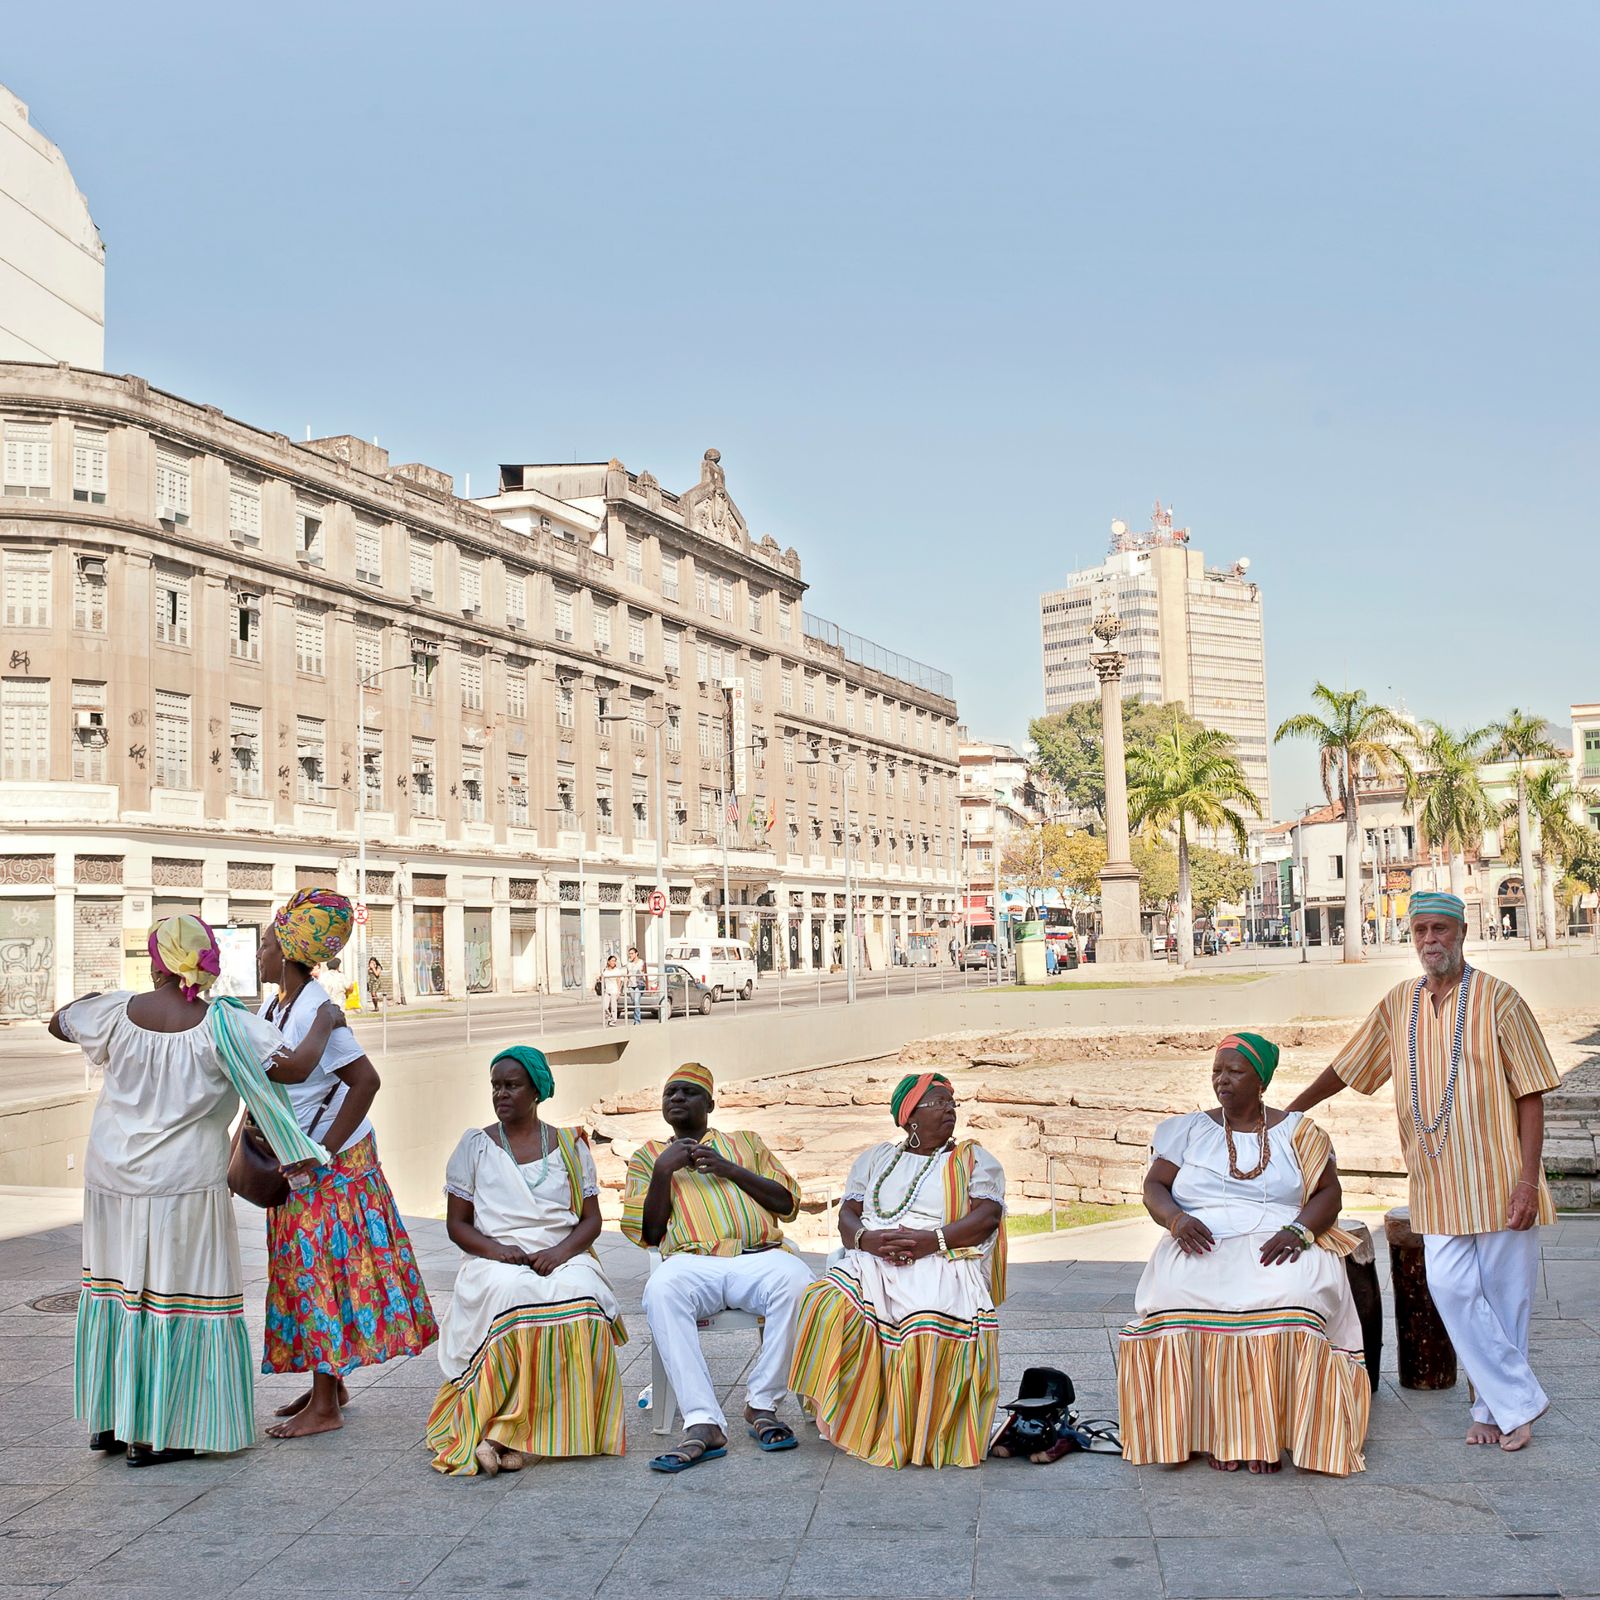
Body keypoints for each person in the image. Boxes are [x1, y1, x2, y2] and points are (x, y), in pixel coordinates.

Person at [48, 915, 339, 1466]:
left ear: (156, 963)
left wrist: (90, 994)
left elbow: (60, 1023)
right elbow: (296, 1069)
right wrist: (324, 1018)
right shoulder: (223, 1026)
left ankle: (113, 1423)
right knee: (178, 1299)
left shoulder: (115, 1011)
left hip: (112, 1178)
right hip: (184, 1183)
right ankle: (165, 1432)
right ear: (209, 964)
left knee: (121, 1294)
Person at [1288, 892, 1560, 1453]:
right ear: (1411, 936)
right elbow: (1348, 1066)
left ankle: (1496, 1409)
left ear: (1462, 932)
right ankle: (1519, 1396)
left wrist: (1528, 1183)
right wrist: (1291, 1110)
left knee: (1506, 1299)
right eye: (1420, 930)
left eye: (1440, 929)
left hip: (1502, 1177)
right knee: (1451, 1287)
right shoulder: (1398, 1004)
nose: (1430, 940)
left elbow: (1531, 1095)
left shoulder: (1500, 1000)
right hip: (1435, 1182)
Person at [1117, 1032, 1369, 1476]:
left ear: (1261, 1082)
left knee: (1294, 1300)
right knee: (1175, 1296)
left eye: (1235, 1072)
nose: (1222, 1080)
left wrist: (1301, 1230)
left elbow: (1330, 1194)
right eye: (1217, 1071)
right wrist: (1176, 1220)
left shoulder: (1299, 1131)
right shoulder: (1189, 1130)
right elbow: (1154, 1187)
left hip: (1283, 1238)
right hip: (1201, 1237)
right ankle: (1206, 1431)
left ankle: (1266, 1433)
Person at [257, 888, 438, 1438]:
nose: (259, 952)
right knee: (307, 1271)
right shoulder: (281, 1005)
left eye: (266, 943)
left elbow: (365, 1081)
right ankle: (328, 1386)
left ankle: (326, 1407)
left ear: (287, 949)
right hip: (305, 1159)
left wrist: (324, 1153)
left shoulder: (316, 1009)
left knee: (322, 1275)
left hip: (331, 1167)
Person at [790, 1072, 1006, 1469]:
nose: (949, 1110)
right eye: (938, 1103)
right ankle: (853, 1412)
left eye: (951, 1104)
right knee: (821, 1302)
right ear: (910, 1117)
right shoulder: (875, 1159)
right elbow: (849, 1215)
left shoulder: (973, 1159)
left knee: (924, 1321)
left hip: (942, 1258)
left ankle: (917, 1434)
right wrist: (866, 1241)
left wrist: (931, 1241)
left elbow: (987, 1216)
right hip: (871, 1259)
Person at [426, 1046, 627, 1475]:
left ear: (536, 1091)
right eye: (496, 1086)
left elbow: (591, 1221)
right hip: (496, 1258)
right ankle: (502, 1429)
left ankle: (529, 1434)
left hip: (563, 1254)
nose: (501, 1094)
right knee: (513, 1293)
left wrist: (559, 1253)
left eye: (512, 1086)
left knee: (584, 1296)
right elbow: (458, 1226)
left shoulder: (570, 1146)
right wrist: (500, 1251)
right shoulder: (475, 1146)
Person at [622, 1062, 813, 1472]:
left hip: (758, 1255)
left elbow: (787, 1204)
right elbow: (651, 1233)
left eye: (688, 1092)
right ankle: (703, 1421)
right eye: (669, 1093)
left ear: (709, 1103)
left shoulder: (746, 1142)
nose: (676, 1098)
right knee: (659, 1289)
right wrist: (662, 1171)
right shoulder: (647, 1158)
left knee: (799, 1282)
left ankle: (761, 1405)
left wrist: (728, 1167)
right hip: (691, 1262)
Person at [599, 954, 624, 1027]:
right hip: (607, 991)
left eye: (615, 961)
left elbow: (619, 980)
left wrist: (618, 991)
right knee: (605, 1007)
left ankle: (613, 1021)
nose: (614, 962)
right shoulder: (605, 970)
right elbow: (602, 978)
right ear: (608, 961)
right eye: (612, 961)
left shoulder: (617, 970)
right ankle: (609, 1017)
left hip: (614, 990)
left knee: (613, 1007)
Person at [626, 945, 645, 1025]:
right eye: (629, 954)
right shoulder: (628, 964)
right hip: (631, 984)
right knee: (634, 1002)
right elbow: (627, 974)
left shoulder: (641, 962)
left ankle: (637, 1021)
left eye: (632, 953)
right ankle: (635, 1019)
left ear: (636, 953)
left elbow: (643, 971)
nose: (630, 955)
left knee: (637, 1001)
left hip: (639, 984)